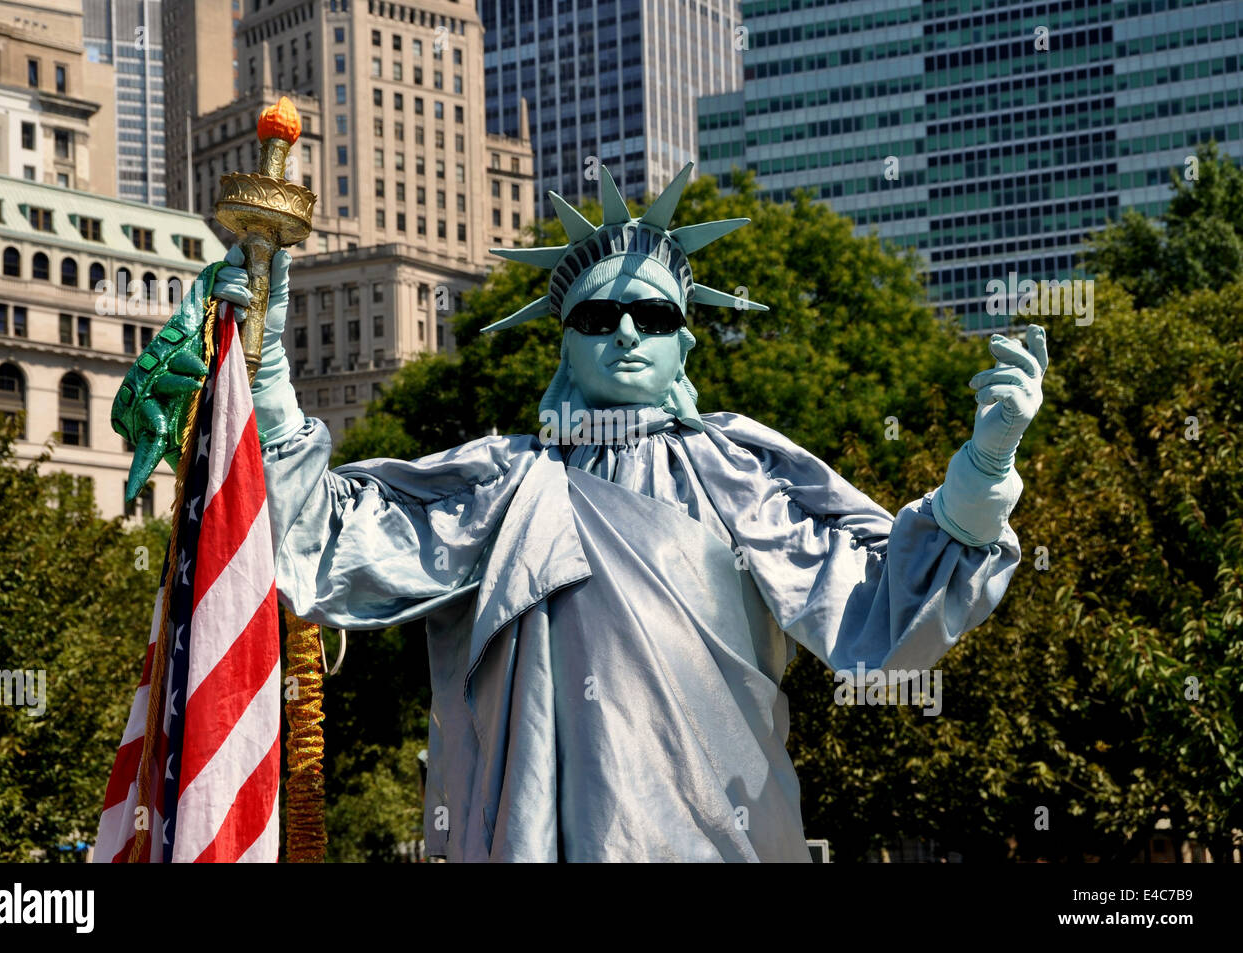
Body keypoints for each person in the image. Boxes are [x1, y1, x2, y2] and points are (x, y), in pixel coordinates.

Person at [113, 162, 1048, 862]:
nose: (629, 332)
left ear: (687, 342)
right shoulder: (500, 480)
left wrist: (983, 464)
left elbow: (885, 612)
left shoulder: (746, 471)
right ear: (564, 344)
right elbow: (321, 537)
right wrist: (267, 377)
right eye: (600, 319)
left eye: (652, 316)